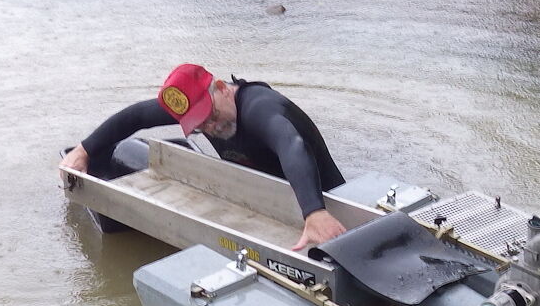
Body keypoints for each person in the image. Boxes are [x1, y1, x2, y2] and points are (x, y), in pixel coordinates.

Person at [62, 64, 350, 251]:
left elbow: (292, 143)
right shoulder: (203, 111)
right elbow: (136, 116)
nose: (210, 127)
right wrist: (83, 150)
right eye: (199, 125)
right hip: (263, 209)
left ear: (223, 89)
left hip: (325, 204)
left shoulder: (260, 108)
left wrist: (314, 212)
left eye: (210, 117)